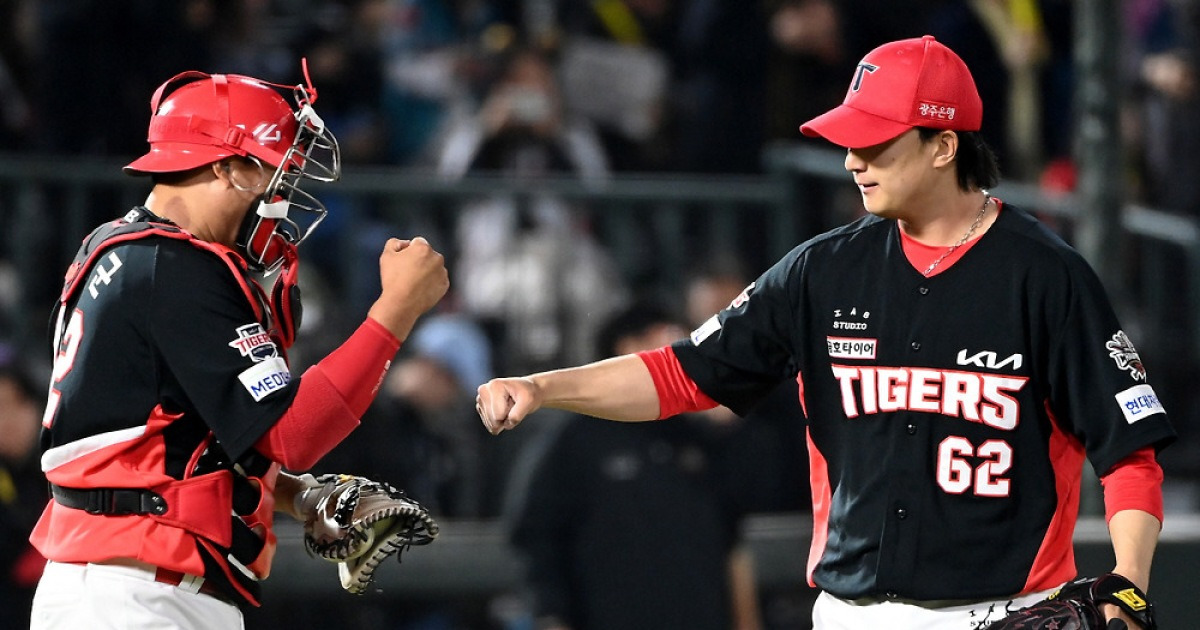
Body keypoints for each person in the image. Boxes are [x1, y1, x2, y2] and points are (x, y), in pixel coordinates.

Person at [477, 35, 1177, 629]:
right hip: (852, 611)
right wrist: (542, 386)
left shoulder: (1045, 275)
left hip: (1005, 611)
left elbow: (1129, 455)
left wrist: (1129, 583)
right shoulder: (821, 271)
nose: (851, 160)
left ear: (942, 145)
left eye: (873, 142)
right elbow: (682, 374)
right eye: (849, 142)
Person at [28, 65, 449, 629]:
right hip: (133, 594)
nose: (279, 203)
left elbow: (172, 447)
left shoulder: (123, 250)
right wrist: (396, 310)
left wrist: (299, 497)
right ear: (226, 166)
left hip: (132, 583)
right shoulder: (171, 265)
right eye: (275, 179)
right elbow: (291, 434)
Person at [505, 301, 762, 630]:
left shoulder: (699, 436)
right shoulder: (576, 438)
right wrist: (551, 615)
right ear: (627, 349)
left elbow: (734, 543)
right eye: (667, 341)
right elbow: (535, 535)